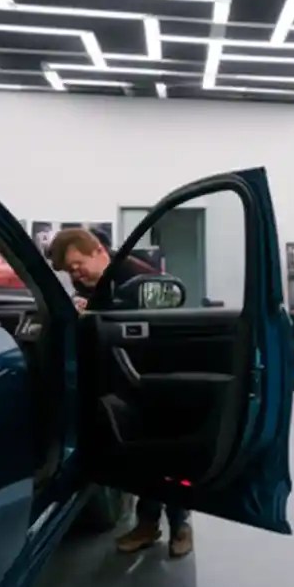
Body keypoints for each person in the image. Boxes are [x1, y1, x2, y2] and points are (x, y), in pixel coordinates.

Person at [46, 228, 194, 558]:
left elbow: (161, 320)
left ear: (100, 250)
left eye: (78, 264)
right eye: (69, 270)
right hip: (121, 376)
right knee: (140, 457)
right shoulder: (87, 282)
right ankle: (148, 524)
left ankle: (180, 524)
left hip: (157, 375)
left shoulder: (138, 276)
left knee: (166, 454)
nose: (75, 274)